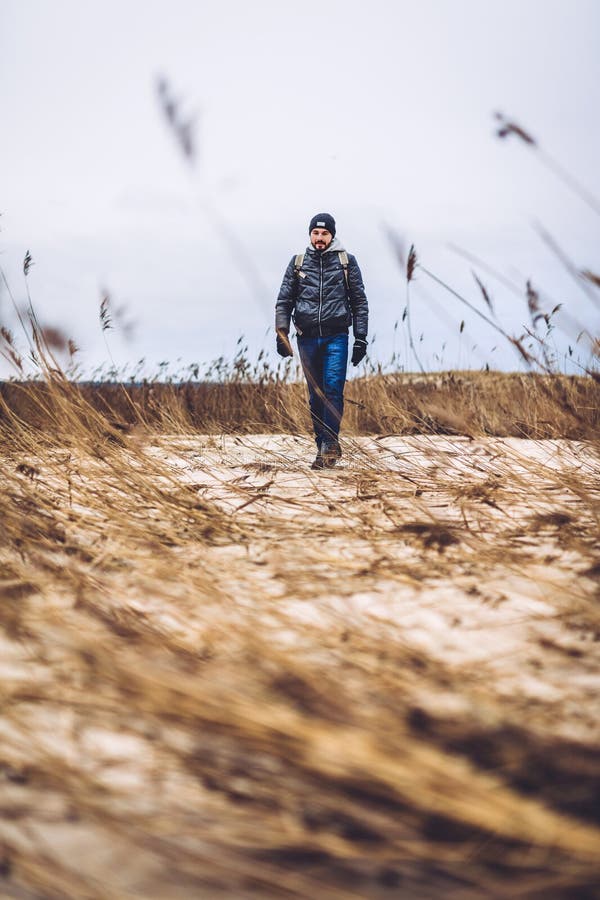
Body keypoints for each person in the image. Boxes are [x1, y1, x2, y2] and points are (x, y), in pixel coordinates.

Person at [275, 213, 369, 469]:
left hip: (336, 337)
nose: (319, 238)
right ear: (310, 235)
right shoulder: (298, 263)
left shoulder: (346, 262)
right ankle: (323, 449)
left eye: (324, 234)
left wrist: (360, 338)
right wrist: (281, 333)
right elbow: (284, 301)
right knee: (316, 396)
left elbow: (359, 302)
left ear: (332, 235)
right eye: (315, 234)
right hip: (306, 339)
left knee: (332, 390)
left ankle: (330, 442)